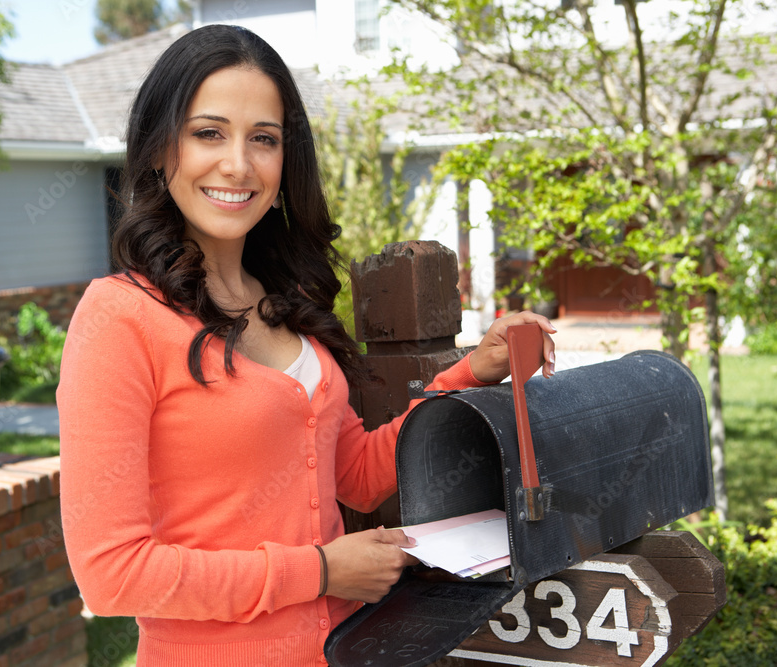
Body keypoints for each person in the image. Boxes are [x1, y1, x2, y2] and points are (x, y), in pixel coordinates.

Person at [56, 23, 556, 666]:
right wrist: (318, 572)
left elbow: (353, 473)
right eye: (208, 133)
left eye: (263, 139)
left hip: (348, 649)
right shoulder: (120, 319)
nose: (238, 164)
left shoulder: (286, 302)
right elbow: (113, 573)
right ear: (159, 150)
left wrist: (469, 373)